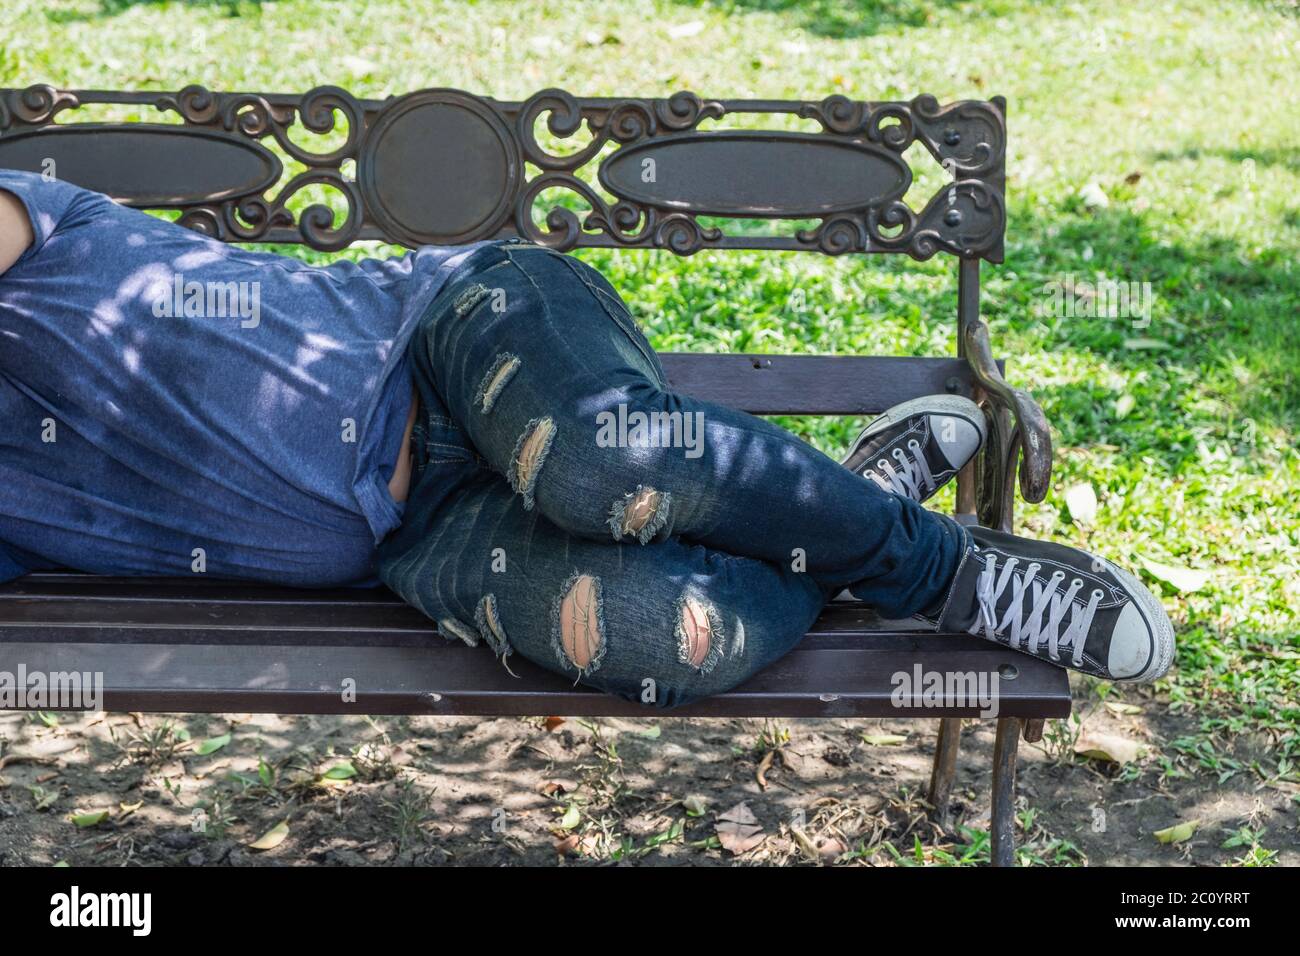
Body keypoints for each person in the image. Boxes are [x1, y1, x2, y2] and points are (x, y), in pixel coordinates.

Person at [0, 169, 1173, 708]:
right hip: (416, 539)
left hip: (453, 329)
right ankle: (849, 500)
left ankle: (945, 567)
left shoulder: (23, 234)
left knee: (597, 461)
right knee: (675, 634)